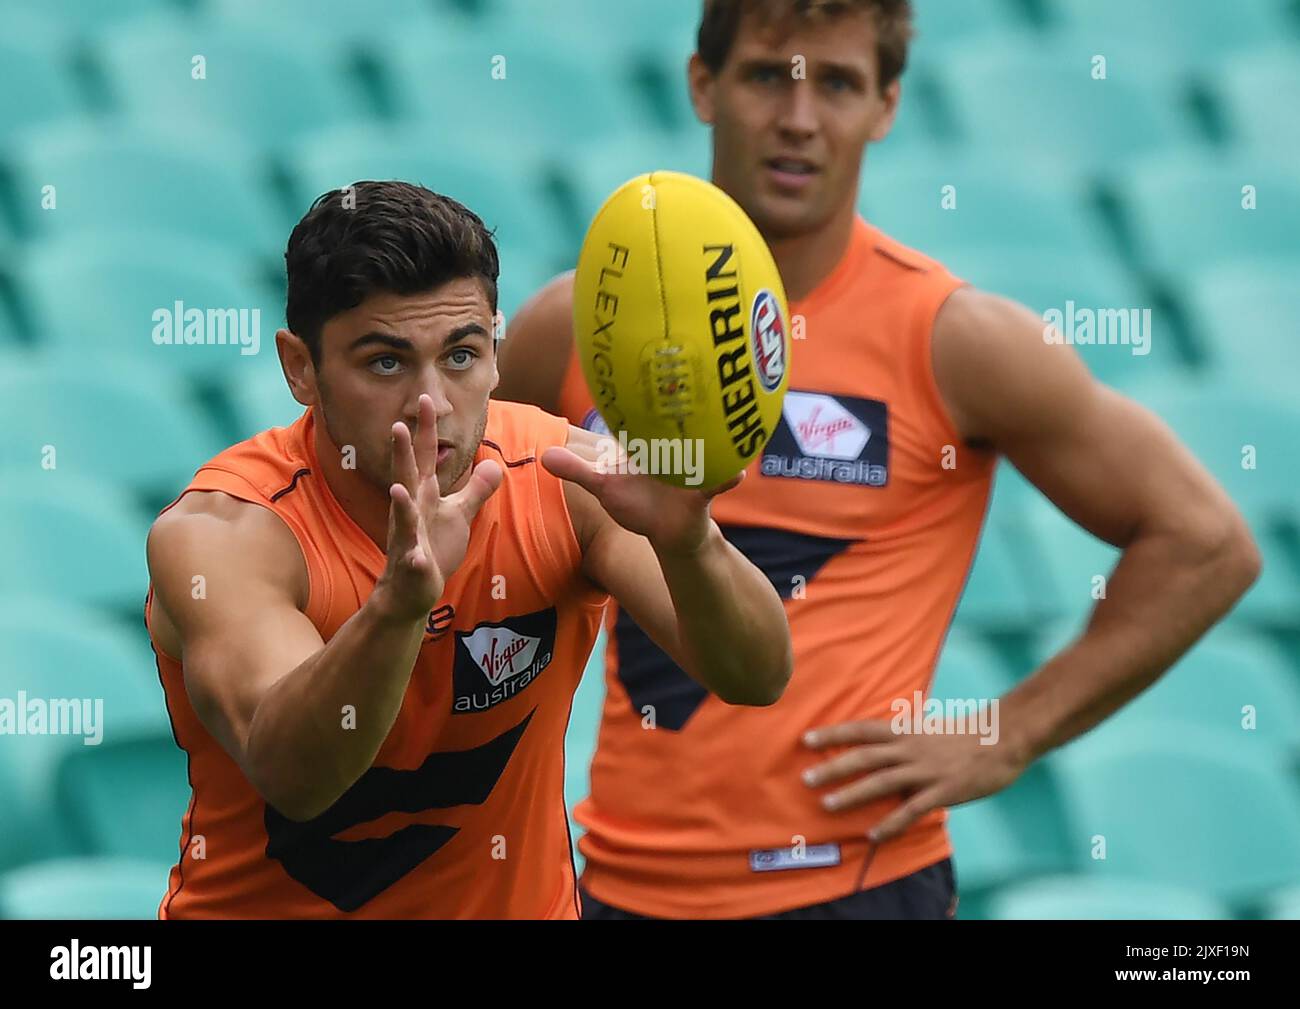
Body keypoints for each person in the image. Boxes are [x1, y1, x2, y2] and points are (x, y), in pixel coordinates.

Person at [495, 0, 1261, 920]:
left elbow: (1207, 542)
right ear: (705, 85)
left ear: (888, 107)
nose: (800, 118)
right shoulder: (573, 327)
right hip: (616, 883)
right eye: (768, 75)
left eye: (841, 84)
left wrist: (1007, 733)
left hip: (854, 886)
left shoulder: (955, 339)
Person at [143, 180, 793, 919]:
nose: (433, 403)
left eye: (460, 354)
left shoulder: (560, 476)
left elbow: (757, 675)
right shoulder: (223, 536)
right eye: (386, 362)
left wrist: (691, 543)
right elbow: (295, 774)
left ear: (496, 349)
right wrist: (398, 605)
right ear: (300, 367)